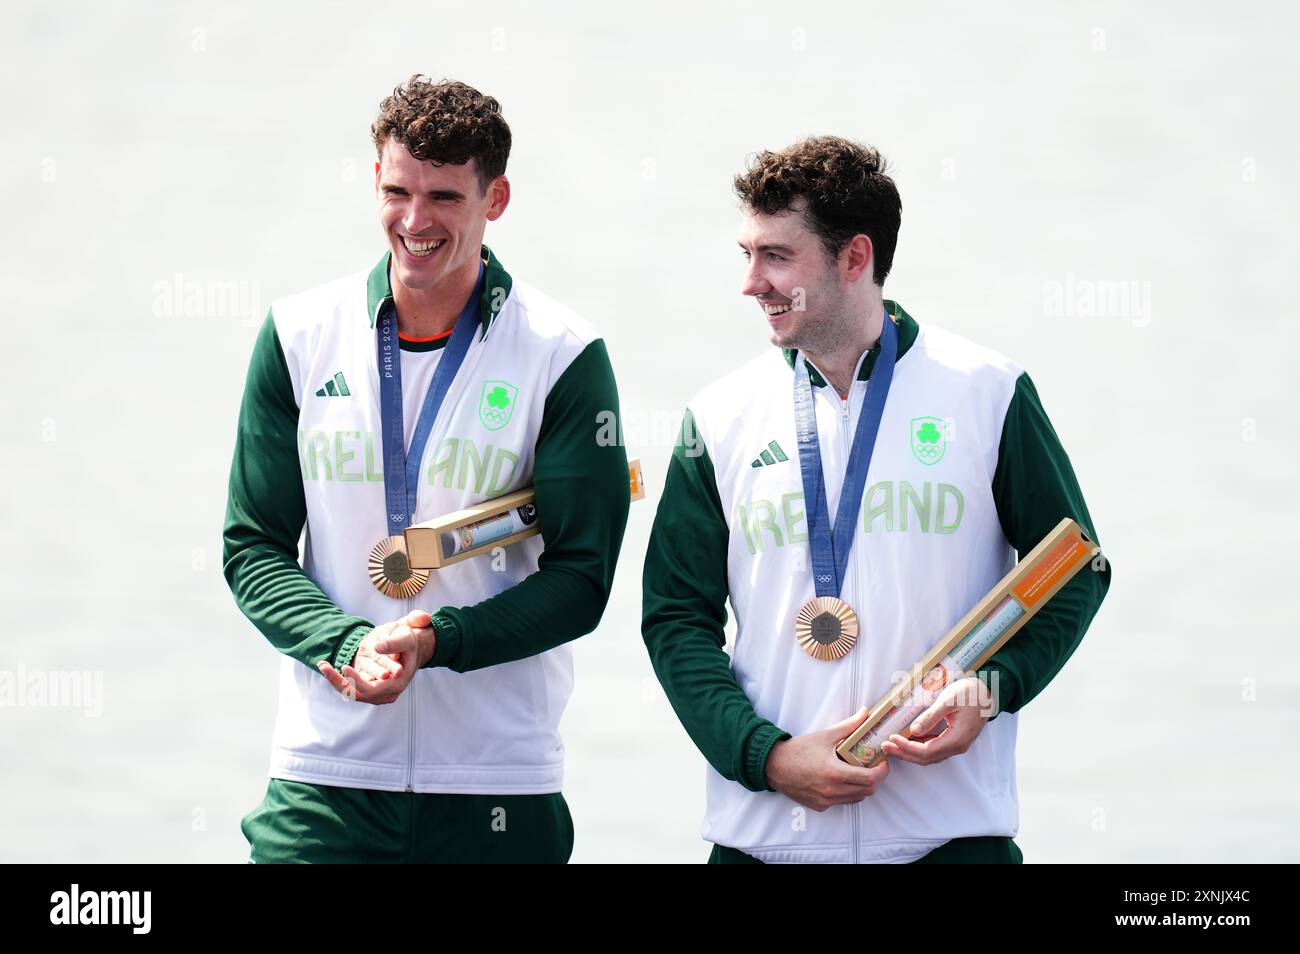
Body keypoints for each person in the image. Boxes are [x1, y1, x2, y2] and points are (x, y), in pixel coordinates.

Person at [641, 136, 1111, 864]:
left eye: (777, 256)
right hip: (765, 843)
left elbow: (1076, 569)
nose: (751, 283)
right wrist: (763, 755)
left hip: (949, 841)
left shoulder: (987, 391)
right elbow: (675, 618)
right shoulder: (717, 417)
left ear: (854, 258)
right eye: (747, 254)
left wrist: (990, 690)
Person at [224, 75, 629, 863]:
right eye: (397, 191)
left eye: (444, 196)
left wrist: (440, 639)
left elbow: (583, 578)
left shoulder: (563, 354)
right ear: (375, 182)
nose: (415, 222)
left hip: (497, 788)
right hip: (324, 780)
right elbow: (252, 546)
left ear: (496, 197)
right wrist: (342, 644)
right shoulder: (299, 336)